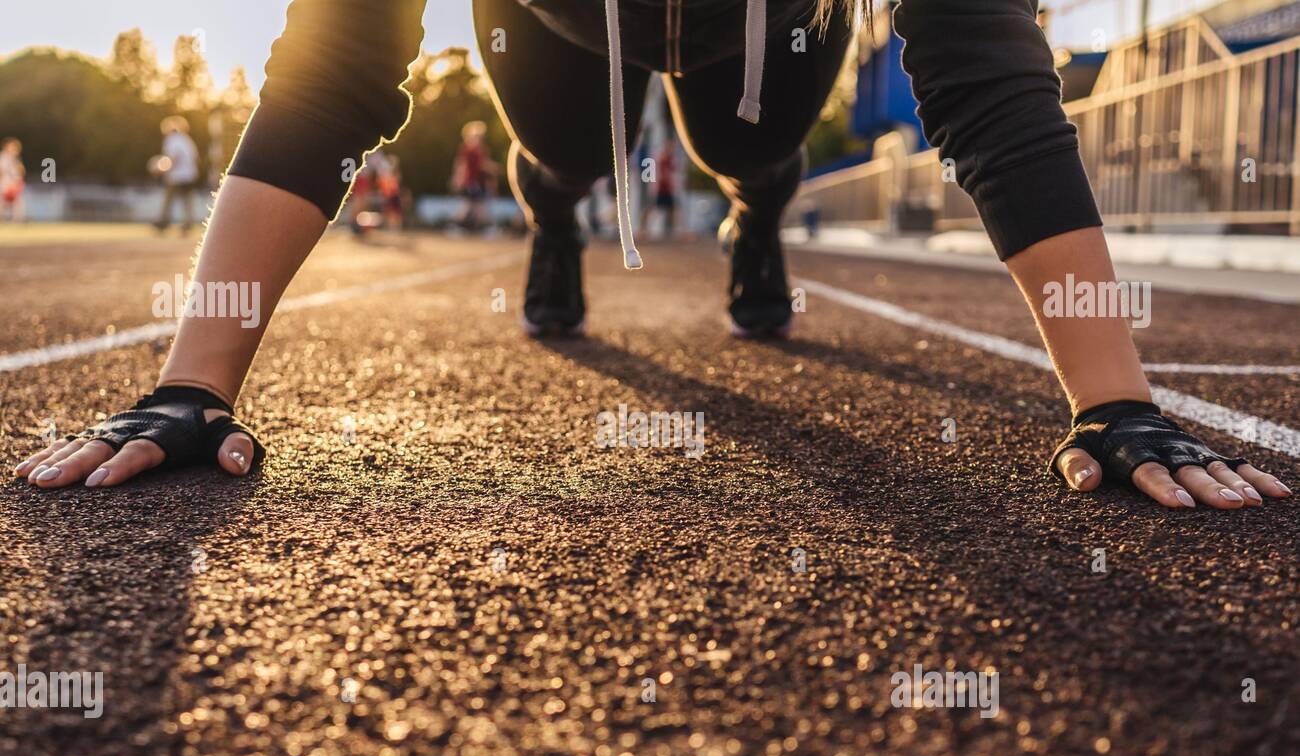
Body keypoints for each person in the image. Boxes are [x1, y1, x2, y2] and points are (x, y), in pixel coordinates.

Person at [12, 0, 1291, 513]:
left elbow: (986, 74)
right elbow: (337, 67)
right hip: (556, 21)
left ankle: (759, 215)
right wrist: (193, 381)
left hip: (767, 27)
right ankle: (558, 217)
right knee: (565, 155)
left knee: (752, 155)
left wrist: (1116, 401)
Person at [154, 116, 202, 233]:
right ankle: (188, 224)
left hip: (177, 176)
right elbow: (196, 158)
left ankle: (163, 222)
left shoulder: (172, 139)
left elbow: (173, 157)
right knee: (187, 200)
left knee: (168, 199)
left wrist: (161, 170)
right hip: (190, 175)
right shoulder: (187, 140)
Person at [451, 120, 498, 231]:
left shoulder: (482, 149)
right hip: (472, 181)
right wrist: (457, 179)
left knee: (473, 206)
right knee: (476, 206)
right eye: (477, 135)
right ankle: (457, 226)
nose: (480, 138)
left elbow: (483, 164)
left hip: (479, 181)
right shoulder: (468, 149)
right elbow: (462, 165)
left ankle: (458, 226)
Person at [640, 138, 680, 240]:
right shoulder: (664, 158)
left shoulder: (668, 158)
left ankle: (678, 231)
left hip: (664, 188)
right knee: (653, 209)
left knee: (672, 209)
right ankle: (643, 230)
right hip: (662, 188)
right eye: (671, 147)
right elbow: (662, 174)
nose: (672, 149)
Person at [0, 138, 26, 223]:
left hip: (14, 183)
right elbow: (2, 171)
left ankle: (17, 220)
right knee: (2, 202)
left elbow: (21, 172)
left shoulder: (15, 159)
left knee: (17, 203)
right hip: (5, 183)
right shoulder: (3, 157)